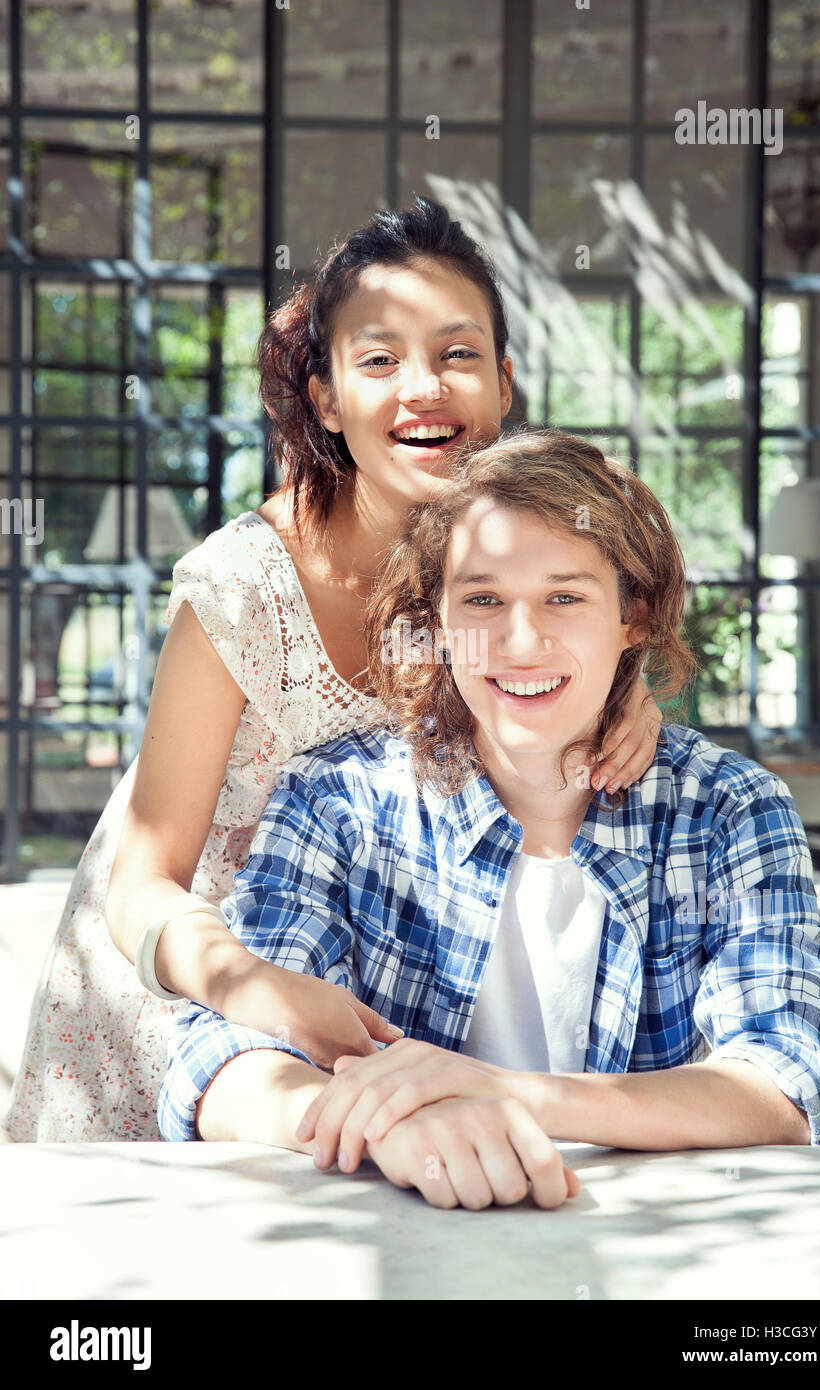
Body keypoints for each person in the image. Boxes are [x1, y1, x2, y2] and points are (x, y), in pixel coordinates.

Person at [3, 199, 661, 1143]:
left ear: (505, 384)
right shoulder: (240, 589)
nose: (423, 388)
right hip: (196, 995)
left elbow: (568, 656)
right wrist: (254, 987)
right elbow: (144, 881)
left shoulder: (500, 575)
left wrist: (627, 697)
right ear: (325, 397)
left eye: (458, 353)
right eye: (380, 359)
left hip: (369, 988)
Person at [158, 428, 820, 1210]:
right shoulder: (336, 799)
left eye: (564, 596)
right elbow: (218, 1063)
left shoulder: (729, 810)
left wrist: (499, 1094)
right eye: (483, 599)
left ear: (633, 615)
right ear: (438, 621)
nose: (521, 644)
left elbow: (789, 1086)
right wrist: (389, 1126)